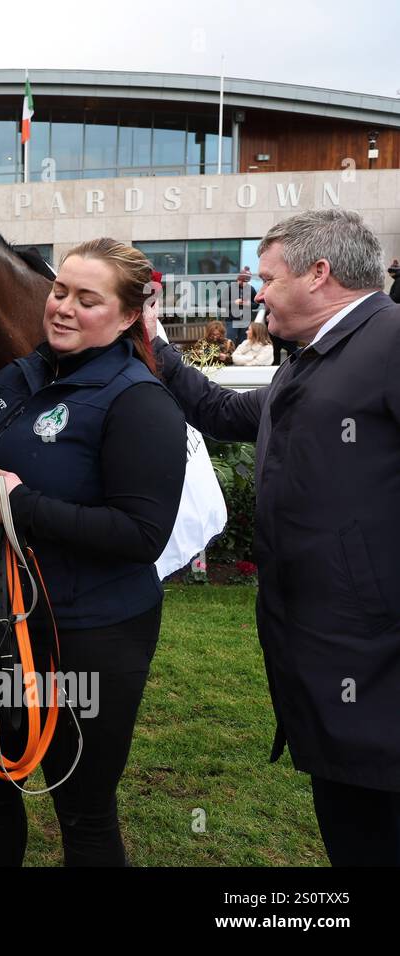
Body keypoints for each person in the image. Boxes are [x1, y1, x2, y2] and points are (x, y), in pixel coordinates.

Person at [146, 209, 400, 866]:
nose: (256, 293)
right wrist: (156, 345)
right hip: (329, 670)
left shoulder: (392, 342)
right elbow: (223, 412)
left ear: (319, 274)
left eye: (266, 277)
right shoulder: (304, 368)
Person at [0, 238, 186, 867]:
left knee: (83, 808)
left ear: (129, 315)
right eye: (59, 291)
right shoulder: (20, 376)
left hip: (89, 633)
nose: (63, 308)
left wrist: (21, 507)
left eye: (87, 299)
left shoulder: (139, 401)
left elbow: (139, 534)